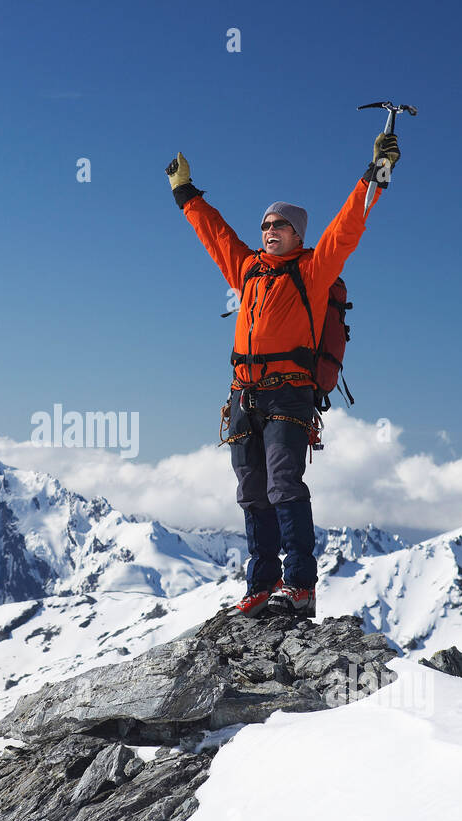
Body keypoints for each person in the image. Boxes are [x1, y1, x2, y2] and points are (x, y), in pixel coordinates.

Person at [166, 133, 399, 618]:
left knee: (284, 485)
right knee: (251, 490)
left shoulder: (313, 271)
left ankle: (300, 585)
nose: (270, 230)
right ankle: (262, 582)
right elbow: (217, 235)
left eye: (280, 225)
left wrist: (375, 173)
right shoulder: (248, 269)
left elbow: (347, 227)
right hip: (242, 396)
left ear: (297, 234)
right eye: (266, 224)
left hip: (289, 396)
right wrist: (186, 194)